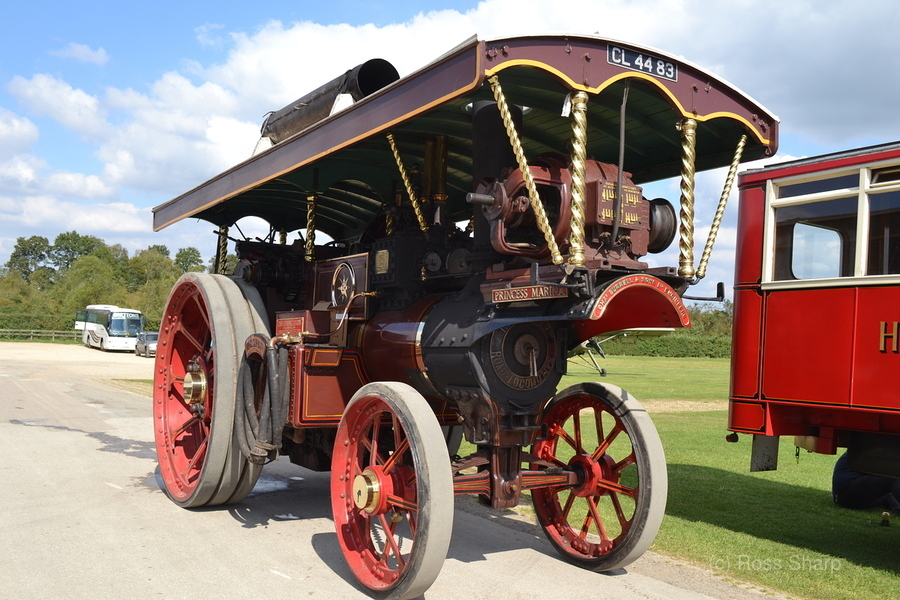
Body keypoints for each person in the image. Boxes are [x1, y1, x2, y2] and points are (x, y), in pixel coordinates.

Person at [832, 452, 900, 513]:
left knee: (889, 496)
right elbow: (887, 472)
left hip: (844, 498)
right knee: (892, 477)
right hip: (845, 494)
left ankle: (897, 508)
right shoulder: (862, 453)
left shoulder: (865, 452)